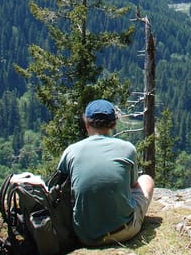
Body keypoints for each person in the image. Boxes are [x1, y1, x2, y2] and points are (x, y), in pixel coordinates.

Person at [57, 99, 155, 246]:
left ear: (86, 124)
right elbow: (133, 185)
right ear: (114, 124)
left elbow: (59, 187)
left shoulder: (71, 151)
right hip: (123, 232)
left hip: (84, 235)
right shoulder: (127, 148)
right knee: (146, 179)